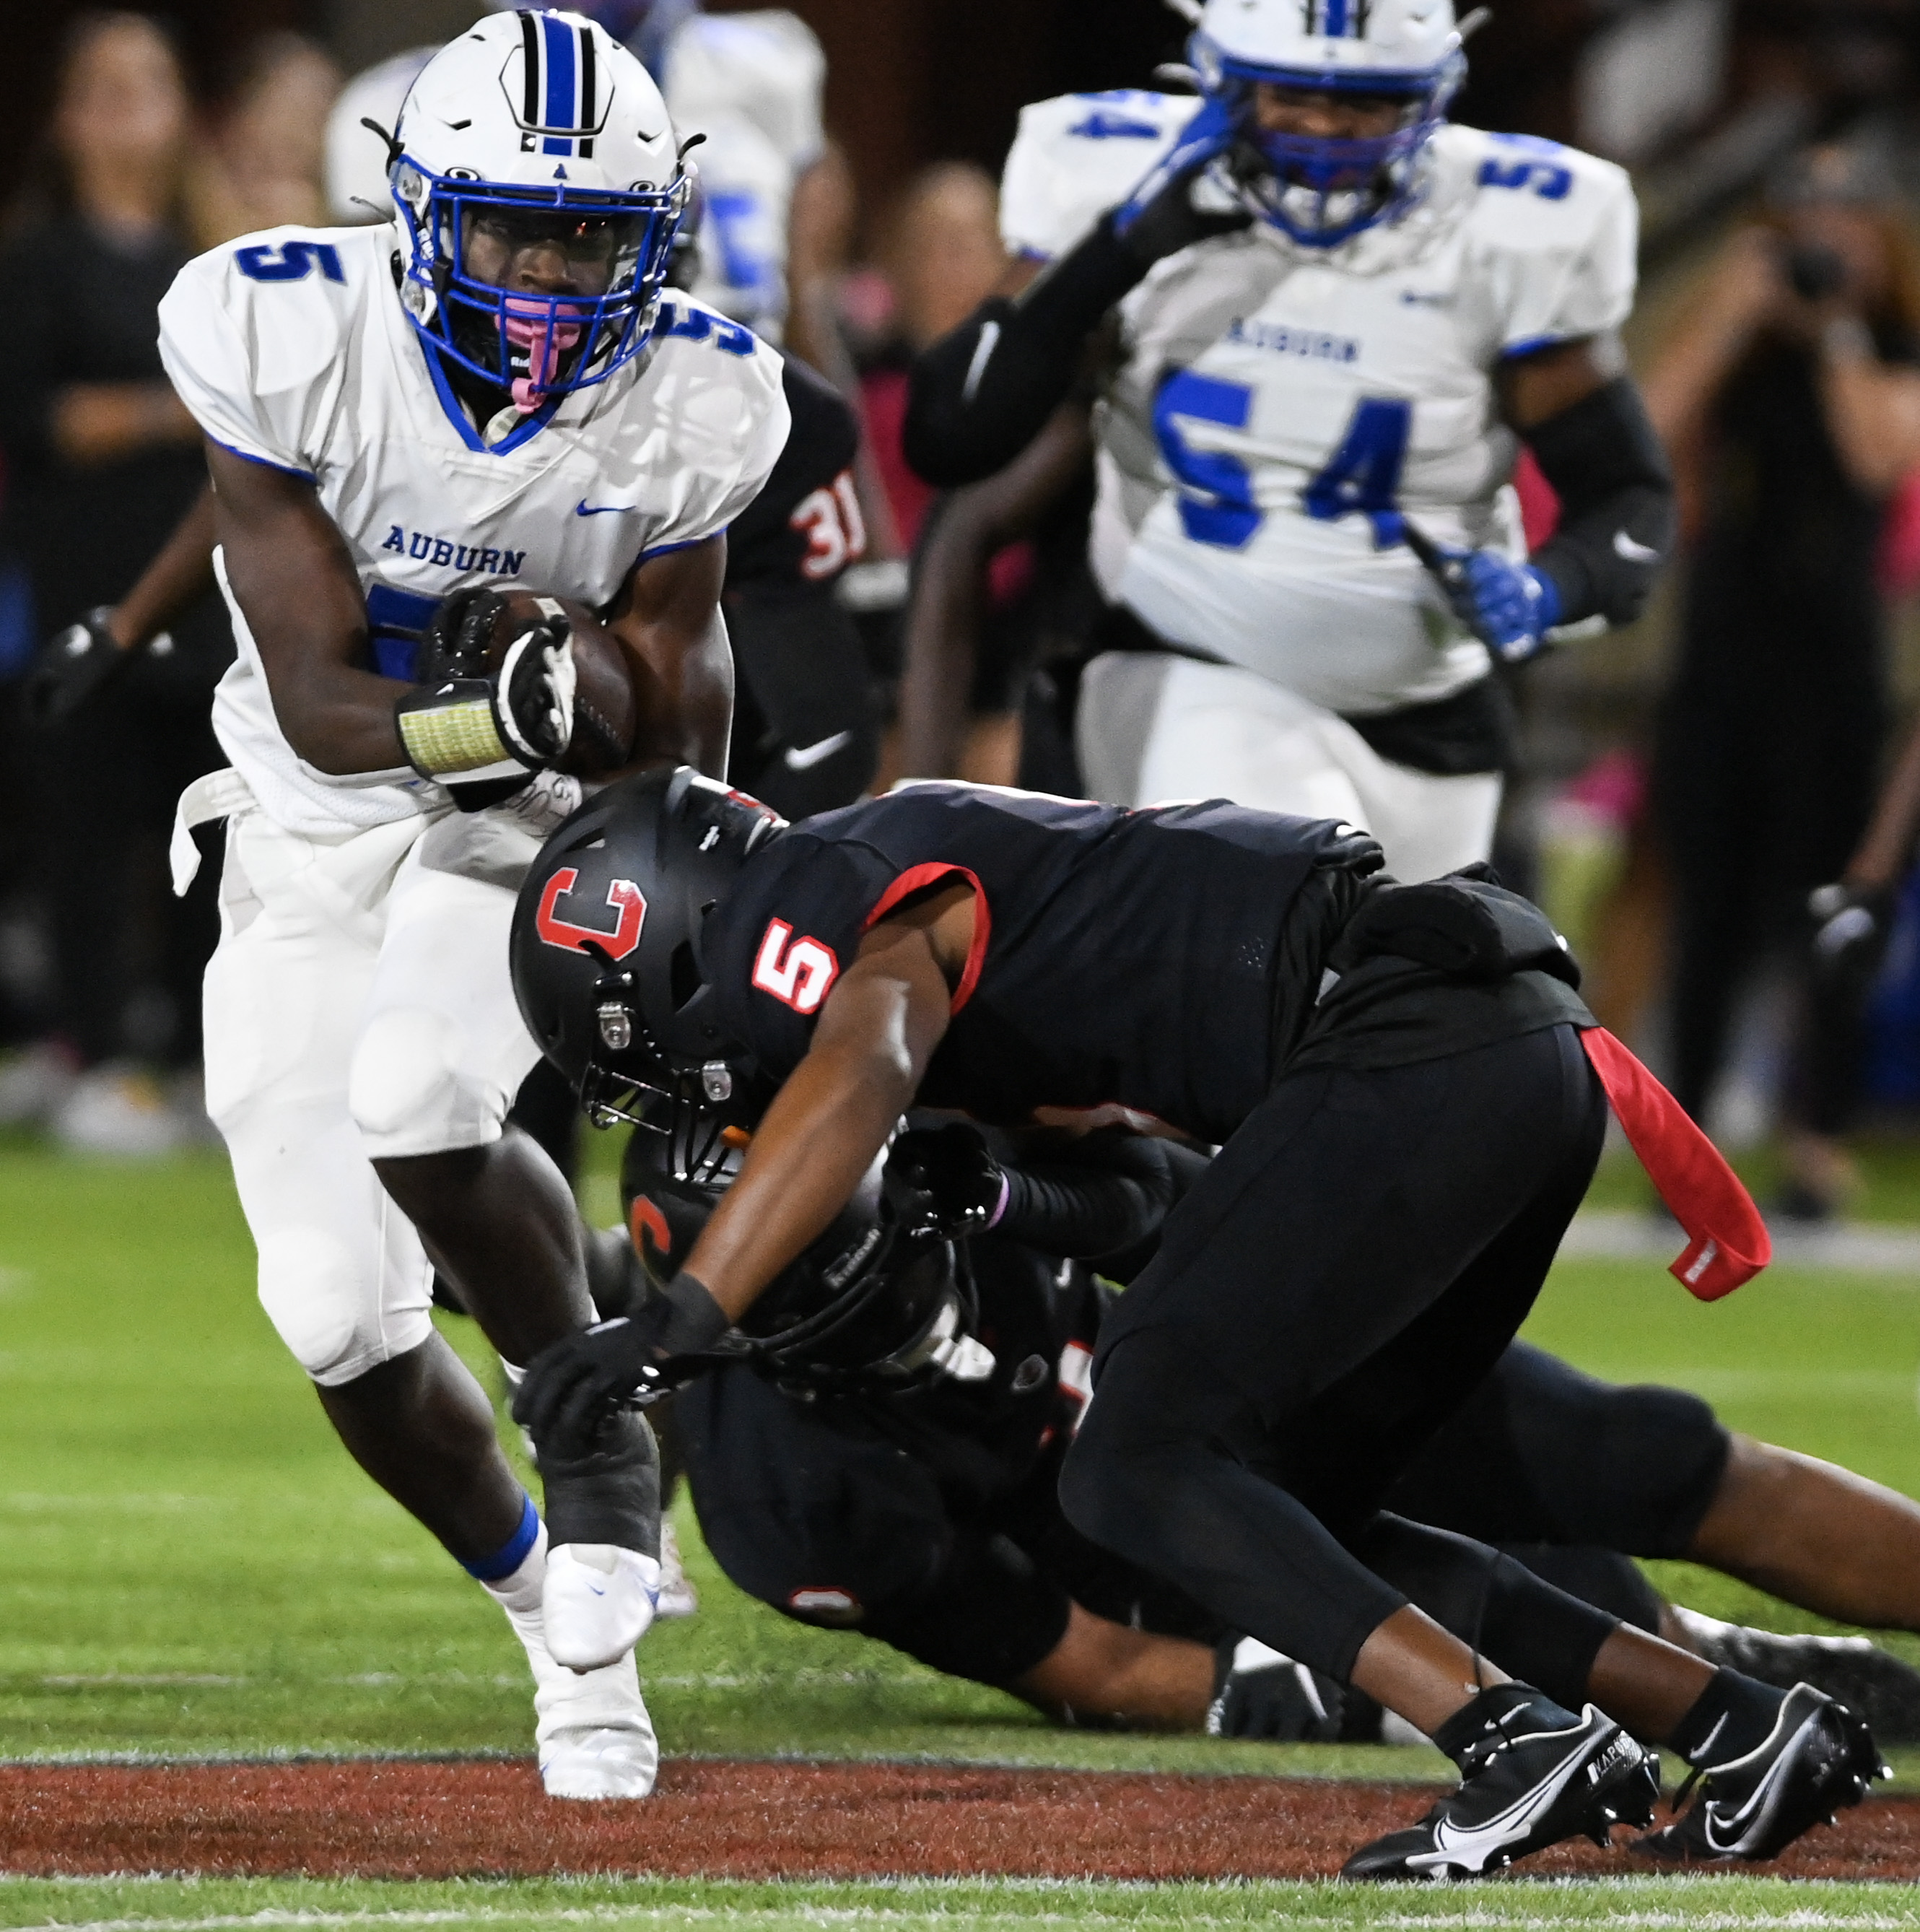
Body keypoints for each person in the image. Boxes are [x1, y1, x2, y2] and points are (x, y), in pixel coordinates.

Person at [509, 767, 1879, 1876]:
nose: (699, 1091)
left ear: (683, 945)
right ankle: (1737, 1726)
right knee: (1287, 1508)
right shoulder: (938, 912)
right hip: (1482, 1046)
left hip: (1414, 1043)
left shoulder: (810, 905)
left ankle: (1515, 1739)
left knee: (1131, 1463)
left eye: (655, 1058)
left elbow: (863, 1056)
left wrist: (683, 1318)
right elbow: (1147, 1194)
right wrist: (1005, 1191)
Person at [151, 12, 789, 1798]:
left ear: (646, 238)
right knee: (330, 1311)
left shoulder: (699, 393)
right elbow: (319, 702)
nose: (544, 273)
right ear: (424, 209)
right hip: (310, 816)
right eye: (511, 228)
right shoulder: (280, 326)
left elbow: (684, 714)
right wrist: (500, 698)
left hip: (523, 838)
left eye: (587, 237)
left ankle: (598, 1474)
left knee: (418, 1101)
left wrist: (595, 707)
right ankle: (544, 1611)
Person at [615, 1115, 1920, 1744]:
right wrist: (1344, 1695)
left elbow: (1155, 1180)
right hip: (1169, 1556)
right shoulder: (792, 1501)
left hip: (1237, 1365)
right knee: (1555, 1618)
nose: (913, 1292)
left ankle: (1725, 1645)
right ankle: (1720, 1663)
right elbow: (1090, 1666)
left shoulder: (944, 1117)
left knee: (1636, 1457)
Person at [900, 0, 1675, 882]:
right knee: (1280, 932)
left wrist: (1552, 586)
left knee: (1413, 1003)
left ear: (1429, 97)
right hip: (1190, 672)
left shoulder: (1503, 227)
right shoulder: (1124, 177)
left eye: (1365, 103)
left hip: (1435, 724)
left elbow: (1628, 497)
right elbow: (953, 434)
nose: (1324, 131)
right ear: (1222, 83)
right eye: (1291, 96)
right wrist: (1117, 247)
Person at [1639, 145, 1920, 1217]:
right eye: (1808, 219)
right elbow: (1650, 431)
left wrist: (1835, 327)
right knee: (1706, 901)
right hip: (1721, 654)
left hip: (1834, 666)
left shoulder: (1888, 343)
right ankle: (1690, 1138)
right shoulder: (1743, 354)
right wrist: (1730, 313)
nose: (1826, 239)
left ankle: (1816, 1138)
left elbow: (1878, 459)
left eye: (1849, 221)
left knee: (1831, 907)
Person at [0, 12, 232, 1154]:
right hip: (83, 585)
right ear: (72, 115)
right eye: (109, 84)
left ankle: (196, 1060)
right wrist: (173, 412)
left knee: (205, 826)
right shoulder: (37, 261)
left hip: (207, 596)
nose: (132, 105)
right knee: (84, 829)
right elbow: (47, 420)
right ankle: (92, 1053)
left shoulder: (219, 258)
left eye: (153, 81)